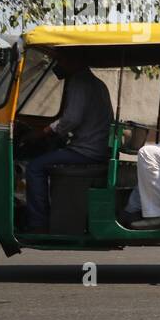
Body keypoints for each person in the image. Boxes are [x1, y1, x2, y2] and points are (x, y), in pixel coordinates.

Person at [21, 54, 112, 232]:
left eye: (61, 60)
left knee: (35, 167)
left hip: (86, 151)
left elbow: (71, 119)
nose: (58, 65)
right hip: (95, 147)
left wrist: (43, 132)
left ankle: (37, 223)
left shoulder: (79, 83)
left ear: (75, 60)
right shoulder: (96, 83)